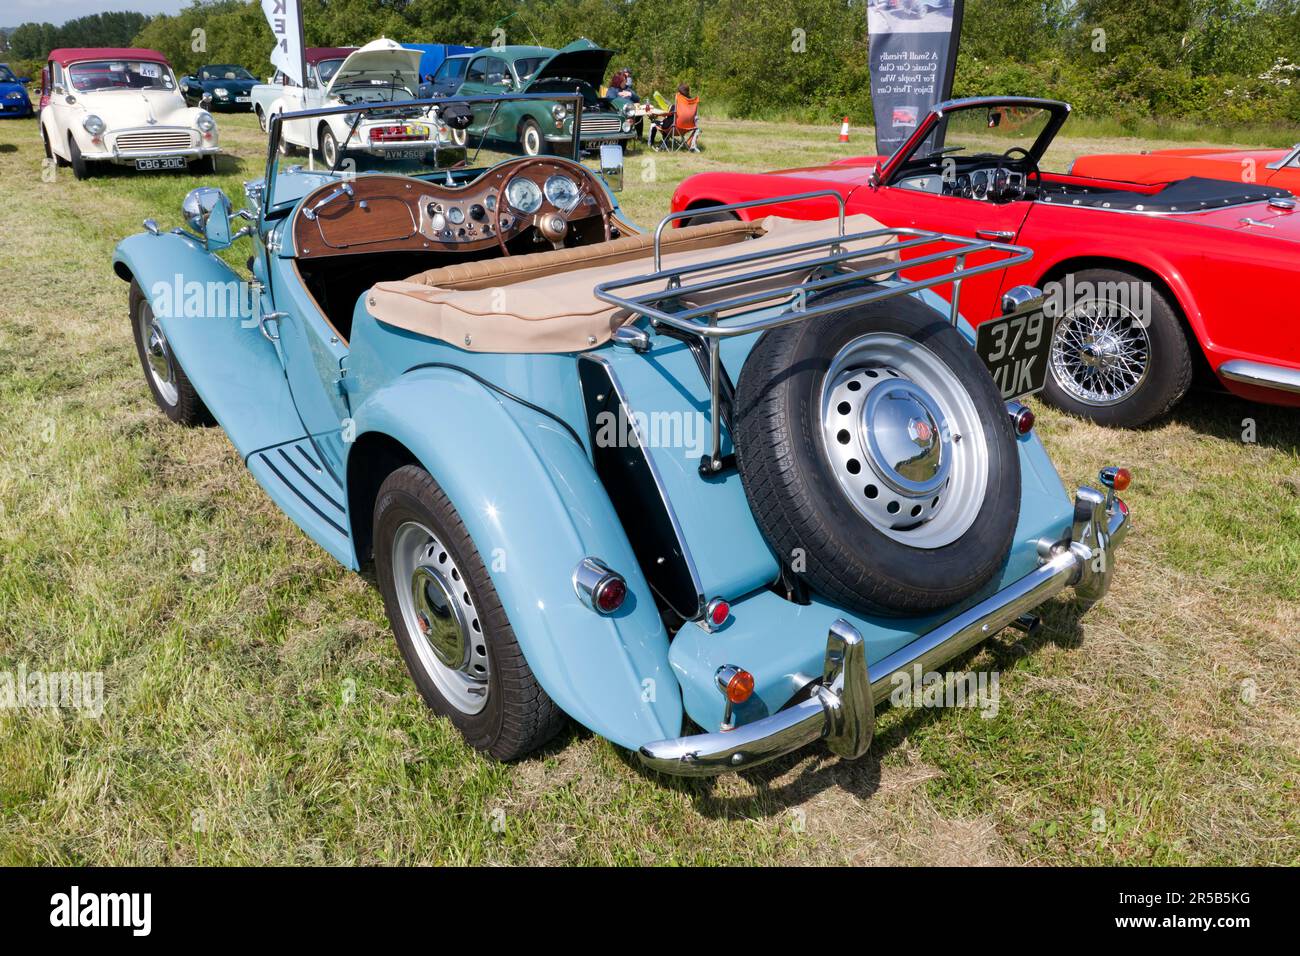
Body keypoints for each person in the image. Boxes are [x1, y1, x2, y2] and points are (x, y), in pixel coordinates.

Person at [650, 83, 692, 150]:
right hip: (686, 128)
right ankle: (665, 143)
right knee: (667, 121)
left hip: (674, 129)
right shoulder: (691, 104)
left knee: (654, 123)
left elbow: (669, 116)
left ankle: (651, 144)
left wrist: (658, 115)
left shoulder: (677, 106)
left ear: (679, 93)